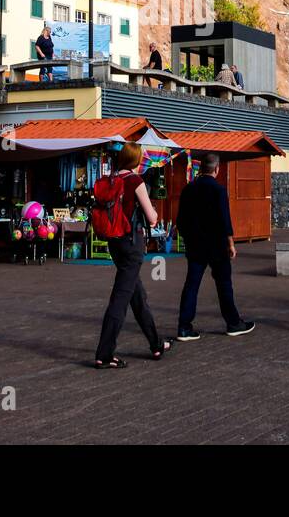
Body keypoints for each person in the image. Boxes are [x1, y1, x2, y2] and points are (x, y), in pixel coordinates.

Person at [93, 142, 172, 369]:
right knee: (120, 299)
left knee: (137, 295)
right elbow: (152, 218)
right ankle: (104, 354)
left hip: (114, 243)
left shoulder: (109, 179)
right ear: (136, 160)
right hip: (132, 243)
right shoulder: (135, 182)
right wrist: (154, 211)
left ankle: (156, 344)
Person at [175, 153, 255, 340]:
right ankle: (233, 323)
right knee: (224, 284)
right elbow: (224, 220)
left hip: (195, 245)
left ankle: (184, 327)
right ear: (217, 169)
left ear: (201, 167)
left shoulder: (189, 189)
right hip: (216, 245)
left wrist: (188, 238)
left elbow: (181, 220)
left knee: (191, 284)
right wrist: (231, 244)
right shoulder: (218, 190)